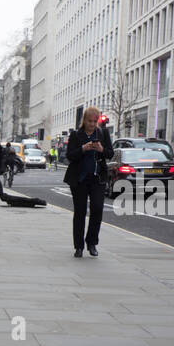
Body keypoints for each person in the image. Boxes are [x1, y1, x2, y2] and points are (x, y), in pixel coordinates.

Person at [64, 108, 113, 257]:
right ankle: (78, 246)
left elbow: (110, 153)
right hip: (79, 179)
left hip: (97, 178)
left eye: (94, 121)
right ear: (84, 120)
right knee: (80, 212)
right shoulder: (76, 135)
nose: (92, 124)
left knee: (97, 209)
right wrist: (83, 149)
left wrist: (101, 149)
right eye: (89, 121)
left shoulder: (103, 133)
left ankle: (91, 243)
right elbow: (70, 156)